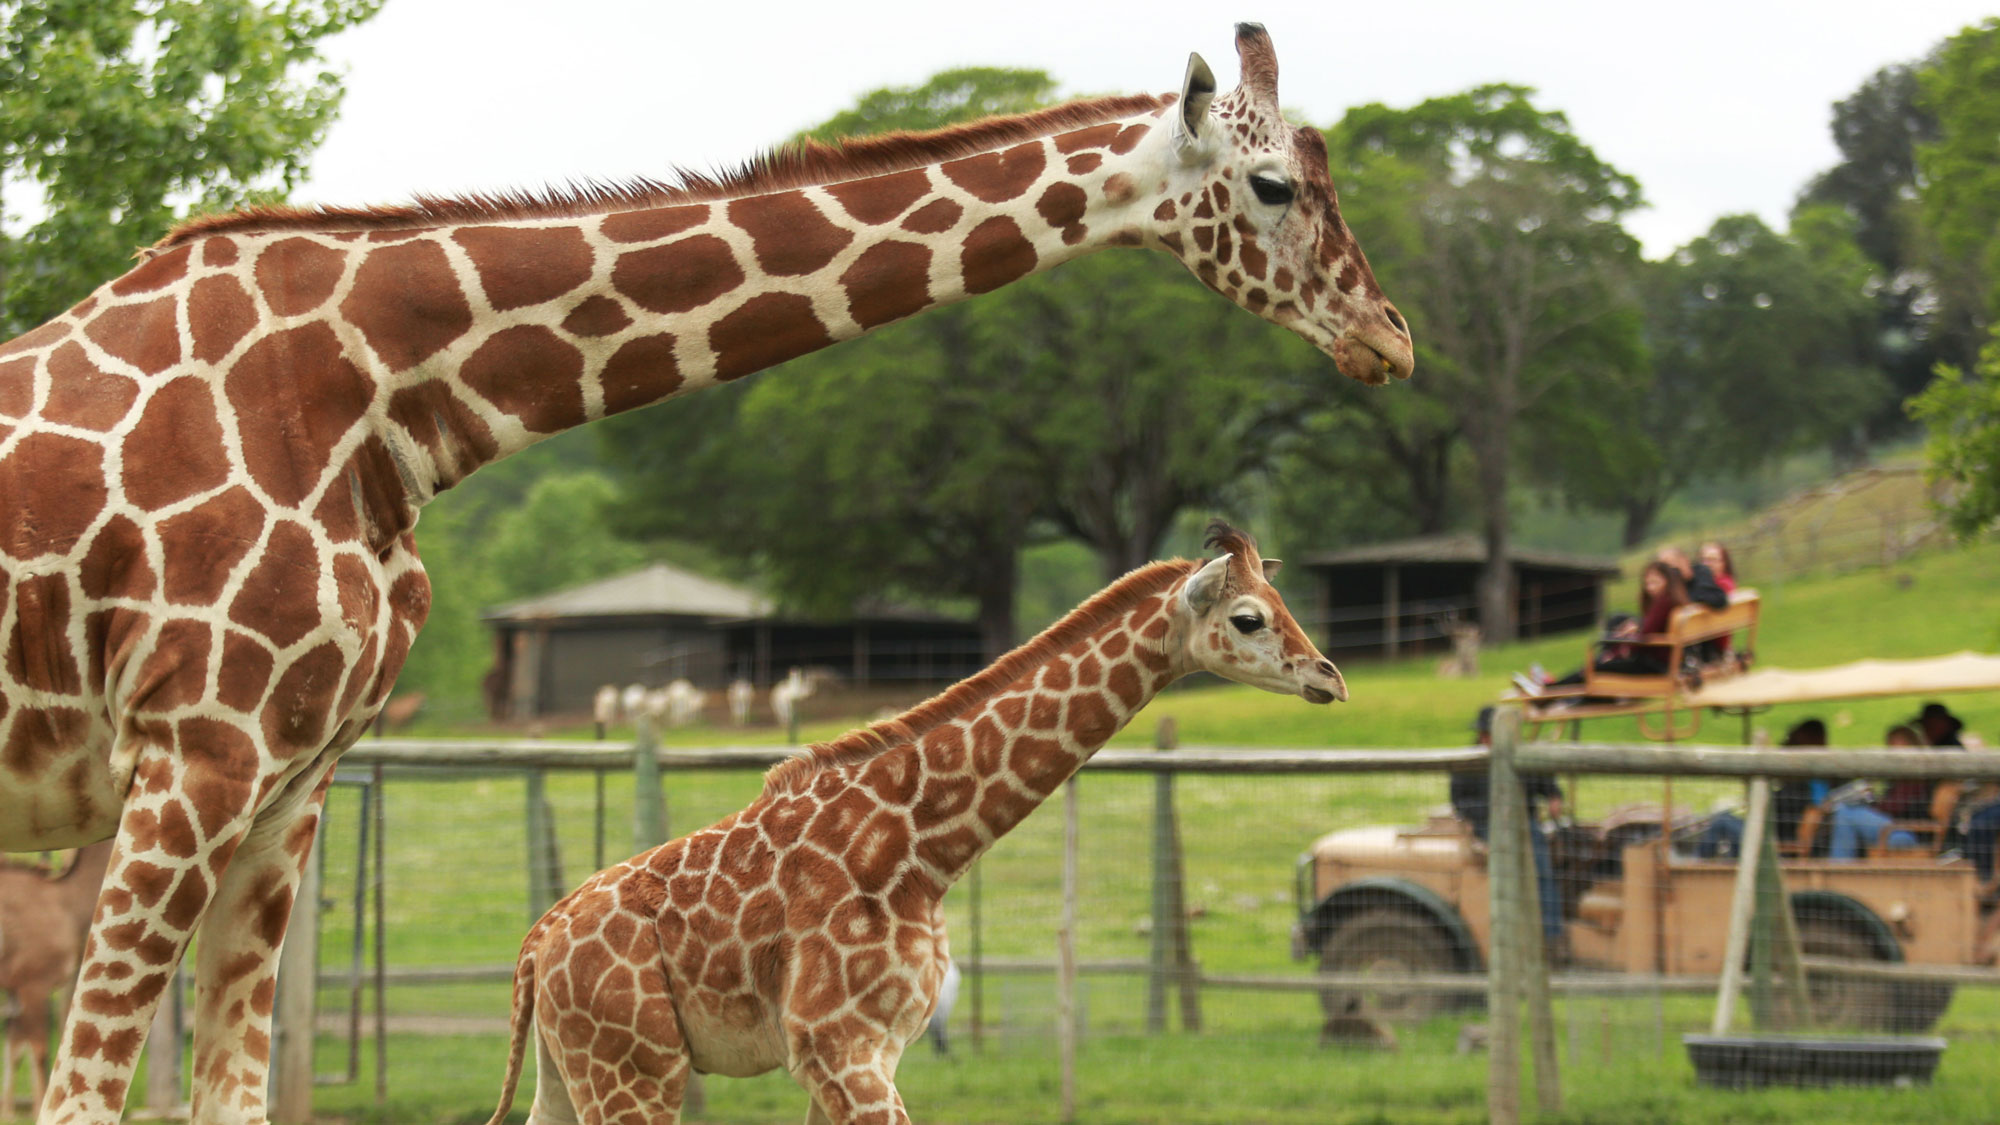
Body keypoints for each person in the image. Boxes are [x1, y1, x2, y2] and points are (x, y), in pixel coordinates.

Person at [1450, 707, 1565, 949]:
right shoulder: (1467, 764)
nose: (1485, 739)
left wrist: (1554, 796)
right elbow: (1460, 803)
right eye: (1484, 734)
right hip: (1487, 825)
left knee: (1540, 867)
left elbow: (1545, 783)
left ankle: (1552, 937)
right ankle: (1507, 940)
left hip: (1523, 824)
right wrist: (1491, 812)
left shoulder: (1520, 757)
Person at [1695, 719, 1834, 858]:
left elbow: (1810, 819)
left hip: (1773, 846)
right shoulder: (1797, 782)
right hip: (1765, 836)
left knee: (1722, 820)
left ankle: (1697, 867)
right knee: (1725, 819)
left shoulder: (1813, 784)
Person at [1828, 724, 1928, 860]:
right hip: (1892, 828)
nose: (1892, 749)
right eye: (1890, 743)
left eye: (1897, 743)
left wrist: (1873, 805)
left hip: (1904, 834)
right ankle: (1842, 865)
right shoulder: (1897, 776)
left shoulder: (1916, 776)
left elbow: (1897, 807)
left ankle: (1839, 868)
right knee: (1846, 811)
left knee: (1845, 813)